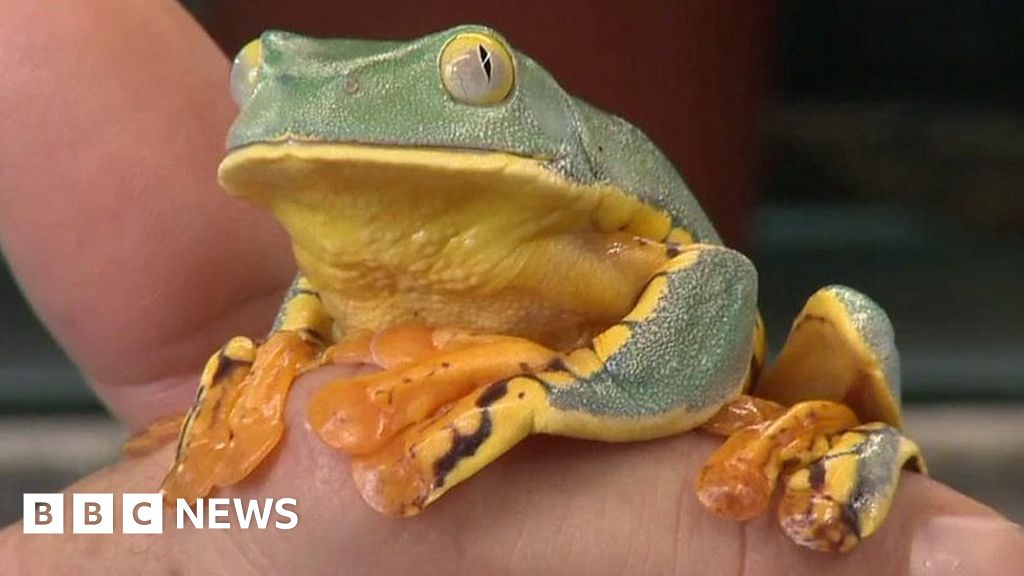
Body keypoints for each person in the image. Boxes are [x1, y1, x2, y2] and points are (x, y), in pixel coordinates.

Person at [0, 1, 1021, 574]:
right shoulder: (308, 285)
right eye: (253, 78)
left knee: (852, 318)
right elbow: (313, 300)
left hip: (727, 410)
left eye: (474, 74)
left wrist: (560, 388)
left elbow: (714, 285)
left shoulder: (582, 216)